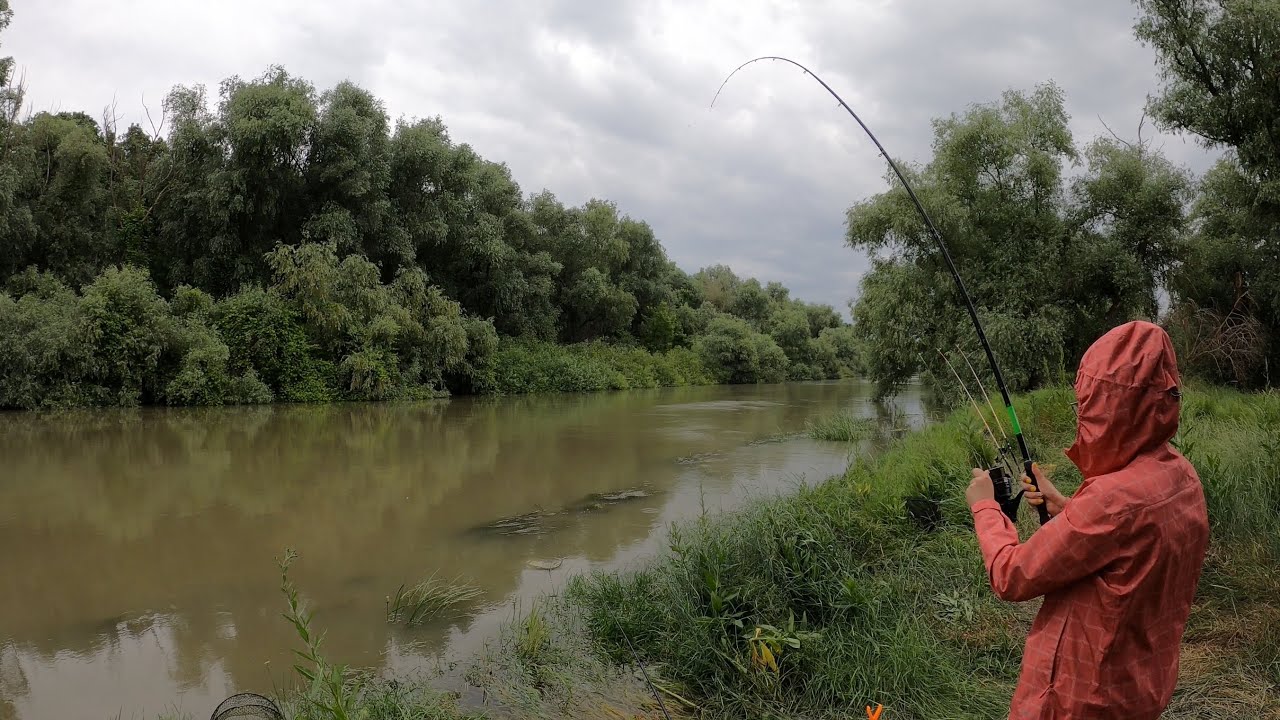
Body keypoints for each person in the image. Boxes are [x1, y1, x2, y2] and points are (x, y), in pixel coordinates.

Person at [964, 320, 1210, 719]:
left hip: (1080, 698)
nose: (1082, 416)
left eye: (1087, 404)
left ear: (1110, 409)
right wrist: (1065, 506)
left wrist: (985, 507)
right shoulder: (1182, 477)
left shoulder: (1112, 501)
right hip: (1140, 687)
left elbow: (1010, 576)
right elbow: (1127, 545)